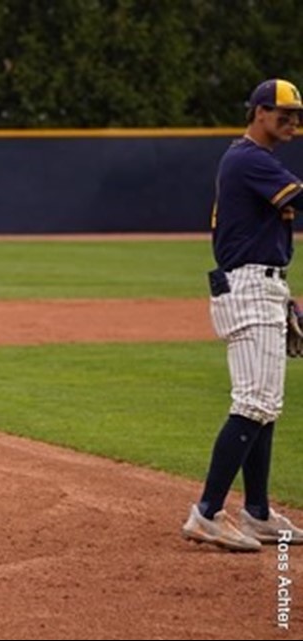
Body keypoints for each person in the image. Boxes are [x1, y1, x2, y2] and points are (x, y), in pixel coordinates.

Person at [181, 78, 303, 552]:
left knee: (265, 405)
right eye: (282, 113)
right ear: (257, 113)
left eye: (297, 115)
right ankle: (206, 513)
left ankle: (256, 513)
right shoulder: (249, 159)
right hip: (249, 286)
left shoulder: (258, 161)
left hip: (264, 284)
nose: (292, 122)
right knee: (253, 403)